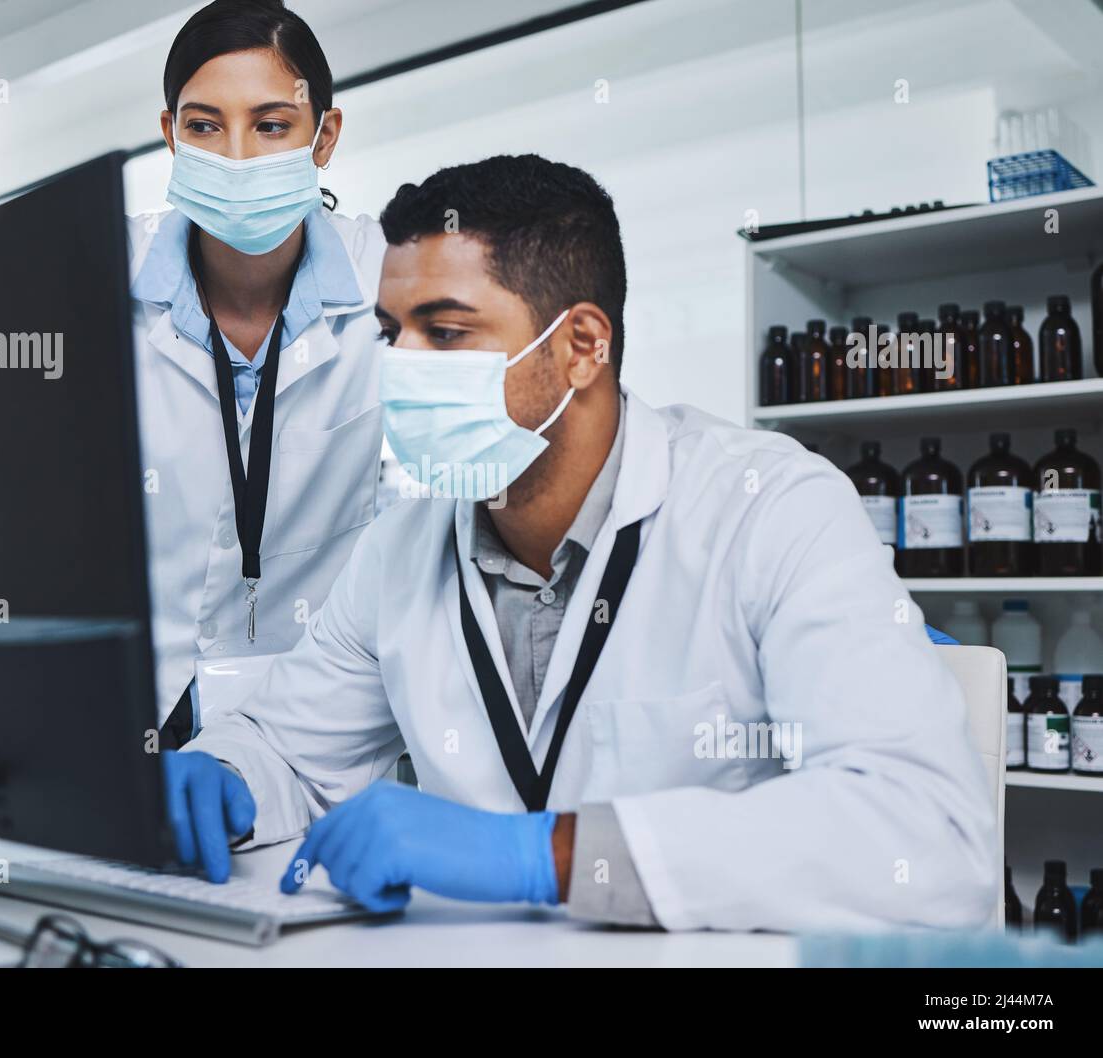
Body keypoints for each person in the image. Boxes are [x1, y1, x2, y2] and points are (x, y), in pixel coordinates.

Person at [163, 154, 997, 932]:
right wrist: (229, 775)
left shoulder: (771, 508)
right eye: (392, 333)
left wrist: (546, 857)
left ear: (582, 347)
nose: (400, 366)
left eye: (445, 333)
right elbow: (290, 747)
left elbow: (928, 837)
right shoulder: (402, 545)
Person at [131, 0, 386, 746]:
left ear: (324, 136)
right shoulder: (91, 277)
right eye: (205, 126)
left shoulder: (390, 277)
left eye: (272, 125)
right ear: (172, 137)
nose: (237, 157)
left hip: (306, 711)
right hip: (126, 704)